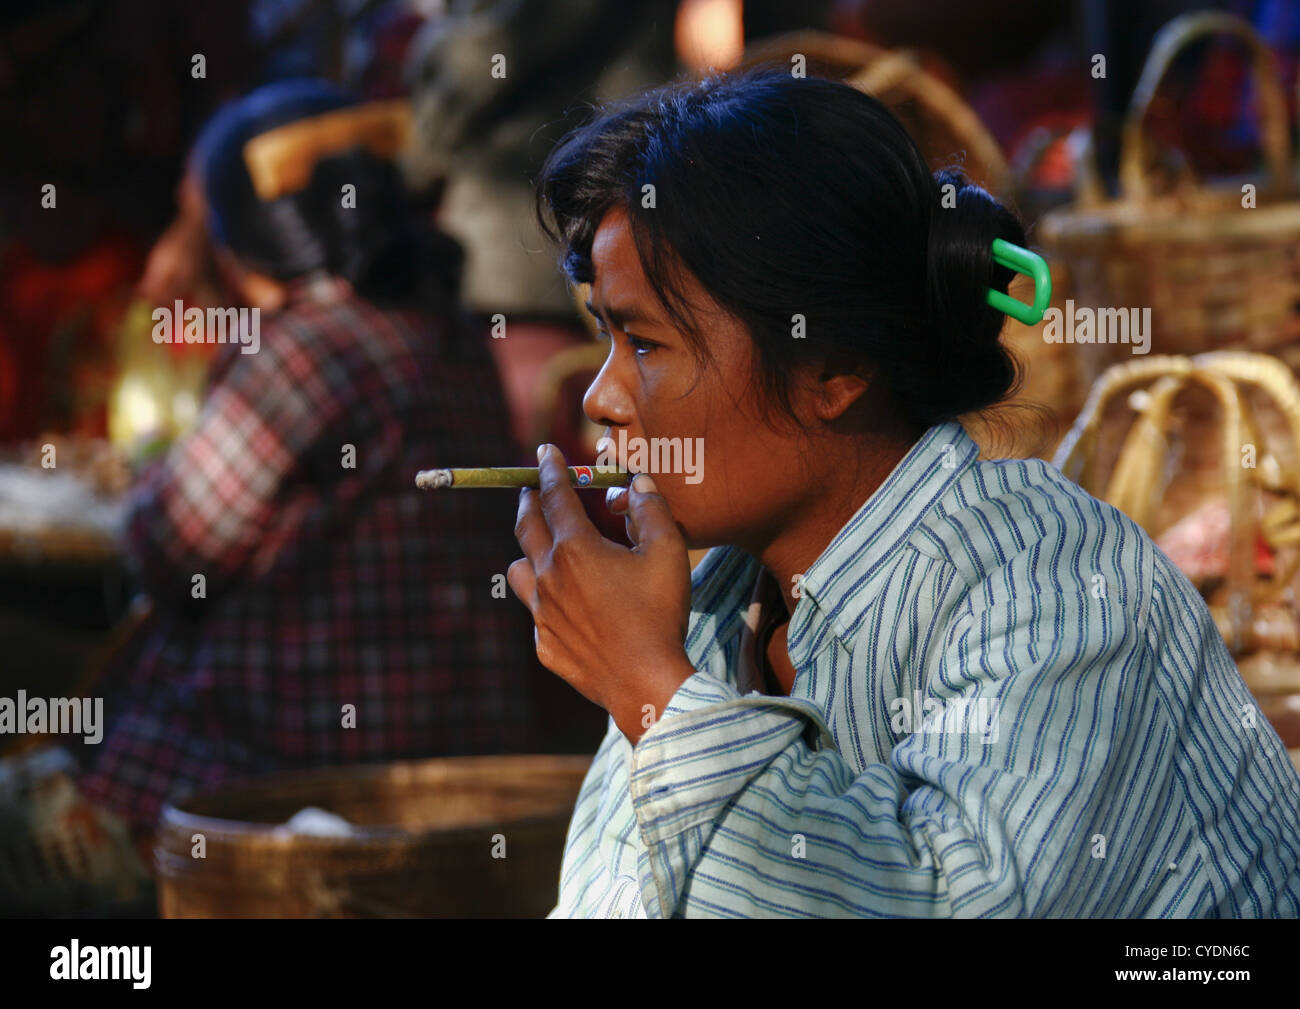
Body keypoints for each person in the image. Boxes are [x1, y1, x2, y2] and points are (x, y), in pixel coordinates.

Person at [509, 68, 1300, 917]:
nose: (600, 398)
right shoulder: (706, 611)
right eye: (606, 340)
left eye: (648, 346)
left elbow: (955, 902)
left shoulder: (1053, 579)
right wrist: (652, 678)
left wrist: (651, 694)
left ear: (835, 365)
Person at [72, 80, 538, 849]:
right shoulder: (456, 341)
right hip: (449, 783)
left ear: (247, 241)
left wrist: (153, 475)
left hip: (279, 791)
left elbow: (167, 544)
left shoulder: (302, 352)